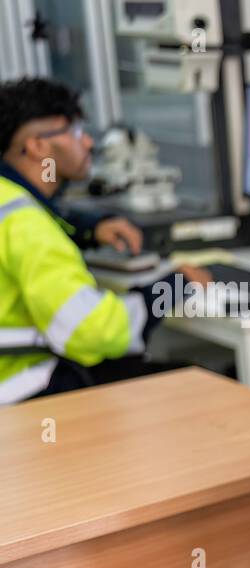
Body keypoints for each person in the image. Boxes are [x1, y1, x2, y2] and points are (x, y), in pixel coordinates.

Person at [0, 77, 208, 403]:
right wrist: (170, 288)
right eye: (75, 132)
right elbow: (91, 330)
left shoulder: (9, 201)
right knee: (196, 387)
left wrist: (90, 228)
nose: (87, 144)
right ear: (38, 145)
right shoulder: (27, 225)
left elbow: (45, 218)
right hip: (26, 388)